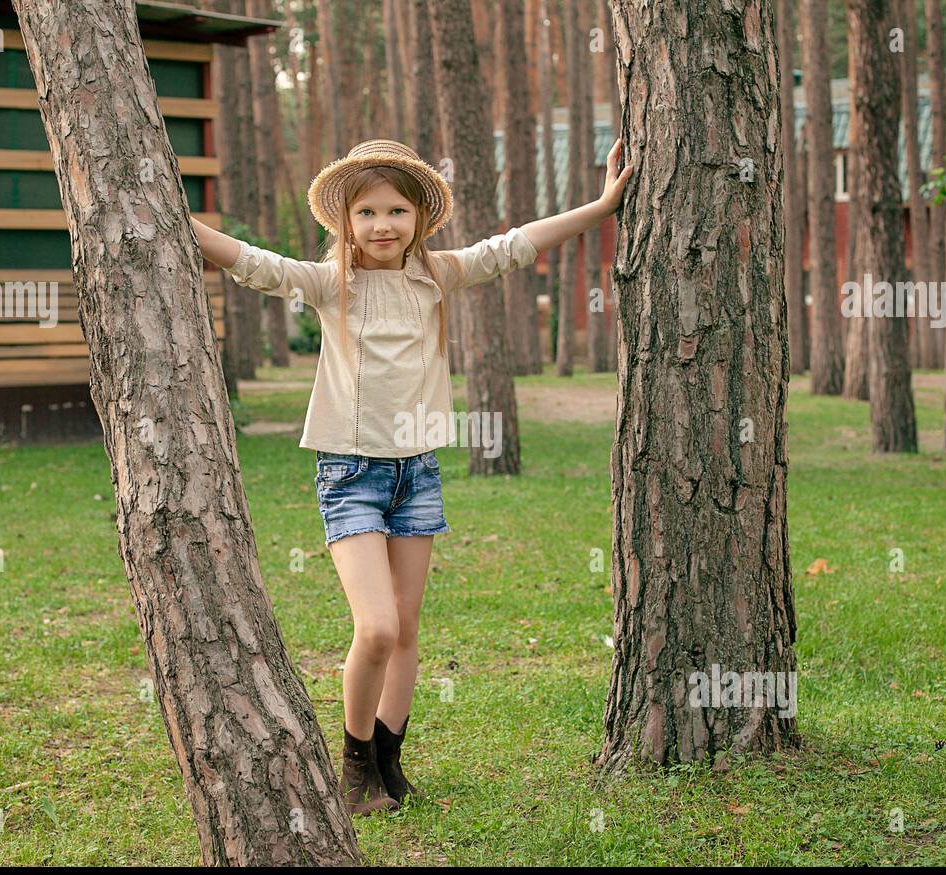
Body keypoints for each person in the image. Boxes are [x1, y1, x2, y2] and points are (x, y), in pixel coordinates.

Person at [190, 137, 632, 816]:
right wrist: (174, 213)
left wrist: (603, 207)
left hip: (416, 476)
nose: (383, 225)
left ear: (420, 218)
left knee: (407, 629)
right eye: (367, 212)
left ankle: (390, 762)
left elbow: (515, 245)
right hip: (351, 473)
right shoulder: (330, 282)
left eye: (397, 210)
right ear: (345, 222)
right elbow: (253, 264)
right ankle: (354, 763)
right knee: (376, 629)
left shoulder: (437, 277)